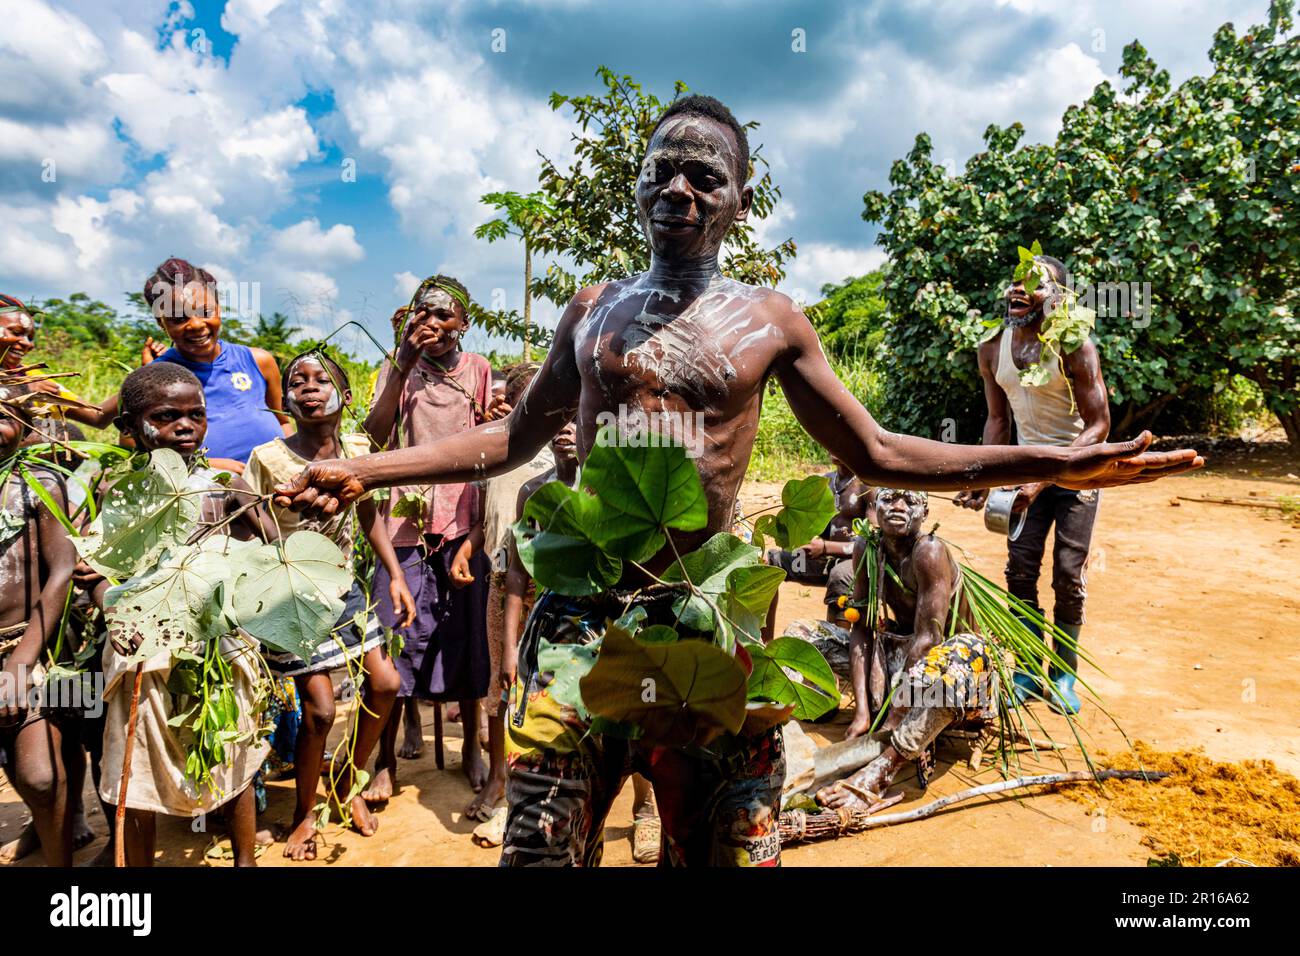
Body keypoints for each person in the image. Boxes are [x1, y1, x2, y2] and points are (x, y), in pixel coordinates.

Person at [275, 94, 1201, 867]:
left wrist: (1061, 461)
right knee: (541, 850)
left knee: (724, 847)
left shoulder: (770, 321)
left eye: (705, 175)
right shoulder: (594, 311)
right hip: (582, 615)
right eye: (663, 170)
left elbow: (877, 451)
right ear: (638, 185)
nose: (678, 188)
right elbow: (515, 435)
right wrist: (361, 466)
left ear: (739, 200)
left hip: (713, 618)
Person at [94, 362, 271, 867]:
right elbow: (100, 573)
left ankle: (245, 861)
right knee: (142, 774)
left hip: (221, 645)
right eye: (167, 416)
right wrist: (112, 601)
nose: (186, 426)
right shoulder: (118, 494)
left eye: (197, 415)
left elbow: (266, 554)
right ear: (130, 429)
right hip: (144, 651)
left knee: (233, 757)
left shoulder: (224, 484)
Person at [243, 351, 413, 861]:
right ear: (286, 398)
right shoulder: (269, 458)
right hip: (289, 596)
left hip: (343, 586)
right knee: (319, 709)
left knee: (386, 684)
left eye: (322, 380)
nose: (309, 387)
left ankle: (346, 779)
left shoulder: (358, 450)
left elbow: (368, 517)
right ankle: (304, 813)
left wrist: (397, 574)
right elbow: (248, 525)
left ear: (346, 395)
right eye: (298, 381)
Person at [954, 253, 1110, 714]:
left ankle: (1064, 674)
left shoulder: (1073, 344)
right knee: (1019, 570)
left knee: (1068, 574)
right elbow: (997, 420)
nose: (1019, 290)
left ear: (1058, 298)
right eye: (1015, 282)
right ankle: (1025, 668)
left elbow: (1099, 425)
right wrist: (984, 476)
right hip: (1025, 469)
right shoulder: (990, 347)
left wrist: (1045, 478)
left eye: (1035, 284)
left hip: (1080, 468)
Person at [361, 277, 493, 801]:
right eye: (424, 315)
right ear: (409, 318)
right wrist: (400, 362)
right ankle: (387, 757)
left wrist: (478, 532)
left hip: (461, 518)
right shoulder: (398, 369)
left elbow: (489, 440)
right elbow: (374, 437)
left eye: (445, 316)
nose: (433, 325)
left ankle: (475, 750)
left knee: (466, 635)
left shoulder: (478, 370)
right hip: (406, 523)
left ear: (463, 323)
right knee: (397, 635)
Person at [816, 488, 991, 810]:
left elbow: (929, 641)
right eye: (889, 499)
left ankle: (884, 768)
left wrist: (891, 722)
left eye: (910, 501)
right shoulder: (866, 546)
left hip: (957, 669)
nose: (898, 506)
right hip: (903, 655)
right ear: (875, 507)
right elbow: (862, 627)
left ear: (924, 513)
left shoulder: (929, 551)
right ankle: (837, 710)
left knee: (945, 675)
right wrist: (863, 714)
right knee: (807, 638)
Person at [466, 361, 553, 824]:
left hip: (557, 580)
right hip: (505, 578)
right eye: (525, 397)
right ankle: (500, 777)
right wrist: (468, 548)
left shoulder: (565, 450)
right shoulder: (498, 450)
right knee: (502, 682)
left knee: (560, 687)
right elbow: (489, 518)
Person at [0, 375, 77, 866]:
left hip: (21, 646)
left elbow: (62, 570)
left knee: (40, 777)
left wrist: (22, 661)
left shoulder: (38, 484)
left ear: (24, 424)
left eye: (4, 415)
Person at [138, 257, 289, 468]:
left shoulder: (259, 362)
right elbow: (137, 452)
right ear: (161, 323)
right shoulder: (155, 378)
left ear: (219, 308)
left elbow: (284, 423)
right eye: (179, 319)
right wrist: (206, 465)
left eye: (205, 312)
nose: (196, 325)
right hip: (205, 493)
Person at [0, 294, 117, 429]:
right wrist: (21, 391)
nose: (28, 344)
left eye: (30, 338)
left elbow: (96, 417)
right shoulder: (28, 384)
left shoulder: (31, 377)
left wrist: (141, 377)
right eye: (15, 332)